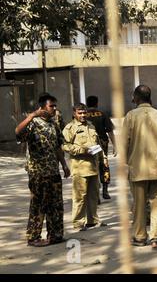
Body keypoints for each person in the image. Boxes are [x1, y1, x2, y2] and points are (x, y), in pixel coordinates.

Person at [122, 85, 157, 249]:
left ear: (136, 98)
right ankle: (156, 238)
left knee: (138, 205)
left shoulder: (130, 116)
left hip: (138, 168)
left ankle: (139, 237)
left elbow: (124, 143)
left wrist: (128, 161)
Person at [15, 93, 70, 247]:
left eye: (55, 105)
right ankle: (33, 237)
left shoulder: (53, 123)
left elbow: (58, 146)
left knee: (56, 205)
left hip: (53, 171)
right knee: (38, 205)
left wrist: (64, 165)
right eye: (51, 106)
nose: (54, 108)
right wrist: (31, 116)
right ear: (42, 107)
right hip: (38, 173)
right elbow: (18, 132)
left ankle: (56, 235)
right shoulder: (33, 123)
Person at [62, 103, 107, 231]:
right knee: (80, 197)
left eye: (84, 112)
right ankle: (78, 222)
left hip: (93, 167)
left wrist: (103, 159)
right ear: (74, 114)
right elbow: (64, 145)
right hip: (80, 168)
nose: (82, 115)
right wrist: (82, 150)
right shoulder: (70, 128)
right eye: (79, 113)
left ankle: (92, 220)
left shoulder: (91, 125)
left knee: (93, 196)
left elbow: (97, 144)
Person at [85, 95, 116, 200]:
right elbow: (110, 131)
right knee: (104, 165)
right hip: (102, 144)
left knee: (92, 167)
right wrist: (115, 145)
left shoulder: (83, 115)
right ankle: (105, 190)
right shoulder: (102, 114)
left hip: (89, 144)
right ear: (97, 103)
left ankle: (95, 193)